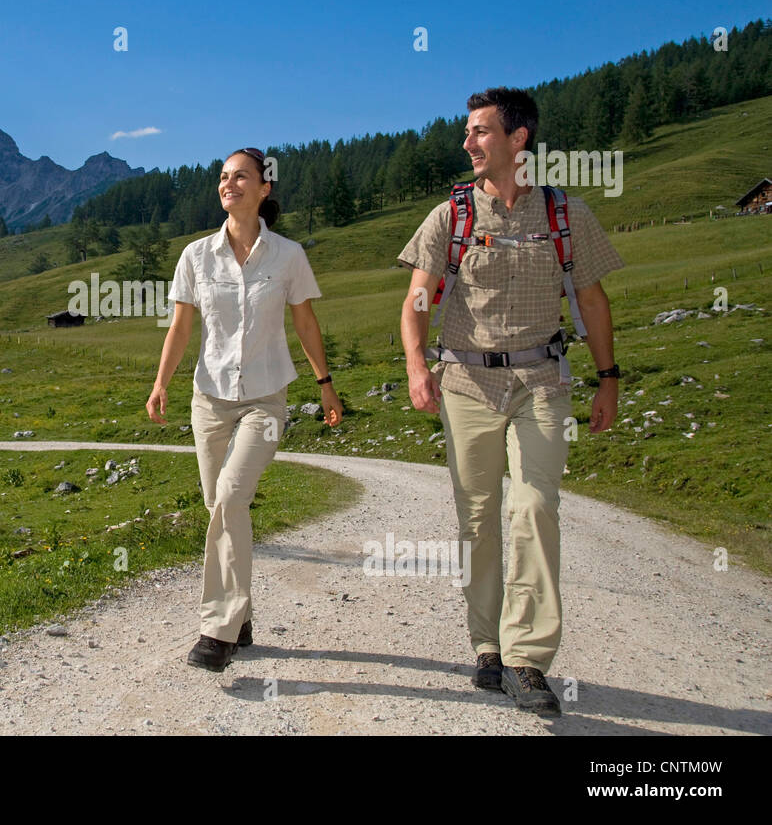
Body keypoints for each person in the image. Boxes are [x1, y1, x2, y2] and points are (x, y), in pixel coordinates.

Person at [398, 87, 624, 715]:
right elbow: (417, 300)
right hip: (466, 383)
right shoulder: (453, 216)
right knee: (477, 517)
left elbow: (595, 303)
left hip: (541, 382)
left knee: (534, 504)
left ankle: (527, 658)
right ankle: (487, 644)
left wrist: (609, 377)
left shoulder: (564, 215)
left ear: (518, 138)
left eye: (480, 132)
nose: (467, 143)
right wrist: (418, 365)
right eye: (467, 133)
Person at [147, 147, 342, 672]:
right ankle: (241, 614)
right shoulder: (196, 256)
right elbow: (182, 326)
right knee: (220, 505)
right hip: (208, 397)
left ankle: (217, 631)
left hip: (266, 399)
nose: (229, 184)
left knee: (232, 496)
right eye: (223, 177)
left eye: (241, 177)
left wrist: (325, 384)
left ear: (264, 188)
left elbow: (304, 322)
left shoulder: (288, 255)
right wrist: (161, 382)